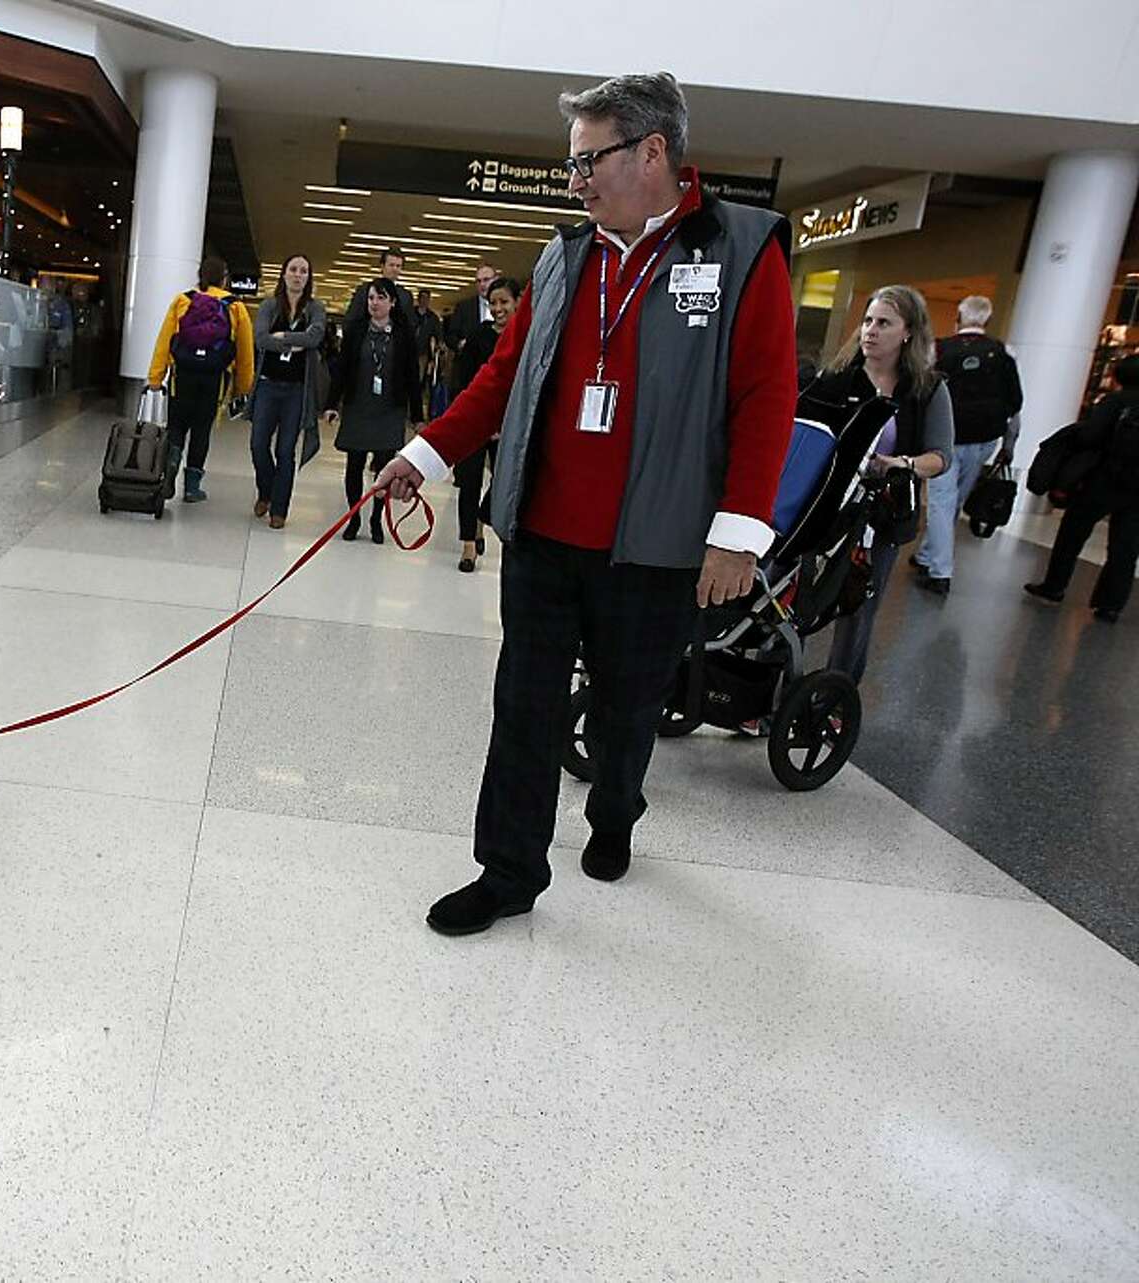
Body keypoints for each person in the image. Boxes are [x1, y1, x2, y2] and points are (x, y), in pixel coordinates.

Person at [370, 71, 798, 935]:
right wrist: (422, 454)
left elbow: (766, 396)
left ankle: (614, 810)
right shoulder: (567, 257)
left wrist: (738, 534)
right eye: (571, 165)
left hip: (657, 547)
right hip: (543, 537)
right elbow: (502, 378)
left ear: (652, 151)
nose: (574, 180)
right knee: (523, 709)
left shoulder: (742, 249)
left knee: (624, 708)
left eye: (587, 160)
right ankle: (508, 871)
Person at [807, 285, 952, 681]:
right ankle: (767, 695)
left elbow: (940, 456)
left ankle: (836, 694)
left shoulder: (927, 390)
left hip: (880, 512)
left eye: (884, 323)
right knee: (793, 596)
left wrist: (899, 463)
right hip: (821, 505)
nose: (870, 330)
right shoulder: (836, 379)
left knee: (858, 606)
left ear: (908, 332)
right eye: (867, 321)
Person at [913, 294, 1024, 594]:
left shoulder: (939, 350)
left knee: (940, 500)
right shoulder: (1002, 353)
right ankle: (927, 554)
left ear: (959, 318)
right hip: (985, 437)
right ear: (986, 320)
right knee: (952, 501)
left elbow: (922, 391)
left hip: (945, 437)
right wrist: (1009, 445)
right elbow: (1015, 402)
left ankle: (939, 570)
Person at [1024, 355, 1139, 623]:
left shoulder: (1115, 402)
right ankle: (1110, 605)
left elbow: (1091, 436)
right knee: (1125, 547)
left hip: (1102, 480)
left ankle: (1054, 586)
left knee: (1072, 535)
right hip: (1136, 491)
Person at [146, 255, 256, 504]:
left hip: (181, 374)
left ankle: (171, 464)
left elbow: (164, 340)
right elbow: (245, 352)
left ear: (200, 275)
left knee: (176, 425)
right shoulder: (235, 307)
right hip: (214, 378)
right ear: (224, 279)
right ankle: (192, 488)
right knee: (201, 429)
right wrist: (243, 387)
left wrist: (156, 376)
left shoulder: (183, 300)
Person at [321, 277, 422, 543]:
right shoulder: (355, 331)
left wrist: (418, 416)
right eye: (370, 298)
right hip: (359, 405)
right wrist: (332, 404)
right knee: (354, 465)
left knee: (384, 467)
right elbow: (341, 370)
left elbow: (413, 375)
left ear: (392, 302)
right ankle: (354, 518)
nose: (374, 303)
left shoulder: (403, 334)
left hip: (389, 409)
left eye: (380, 298)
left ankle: (377, 518)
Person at [248, 254, 328, 528]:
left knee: (285, 451)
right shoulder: (270, 305)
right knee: (258, 445)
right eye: (293, 269)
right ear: (283, 274)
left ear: (309, 277)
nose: (298, 275)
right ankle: (265, 492)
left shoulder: (316, 308)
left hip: (296, 391)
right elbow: (260, 340)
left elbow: (315, 337)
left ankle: (279, 509)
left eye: (303, 271)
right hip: (268, 386)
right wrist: (294, 344)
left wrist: (282, 337)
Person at [452, 276, 523, 573]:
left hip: (511, 426)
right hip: (477, 423)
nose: (498, 309)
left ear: (518, 302)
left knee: (504, 482)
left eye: (504, 302)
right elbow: (462, 383)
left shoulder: (527, 338)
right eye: (492, 303)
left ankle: (483, 515)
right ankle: (469, 544)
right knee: (468, 482)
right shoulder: (477, 337)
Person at [344, 247, 417, 328]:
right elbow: (351, 319)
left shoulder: (405, 296)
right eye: (391, 265)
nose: (395, 269)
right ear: (382, 266)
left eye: (398, 266)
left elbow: (410, 325)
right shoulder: (365, 290)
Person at [444, 263, 500, 354]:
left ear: (496, 279)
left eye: (486, 280)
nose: (482, 284)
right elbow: (450, 336)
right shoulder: (464, 307)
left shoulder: (505, 305)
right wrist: (460, 344)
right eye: (478, 281)